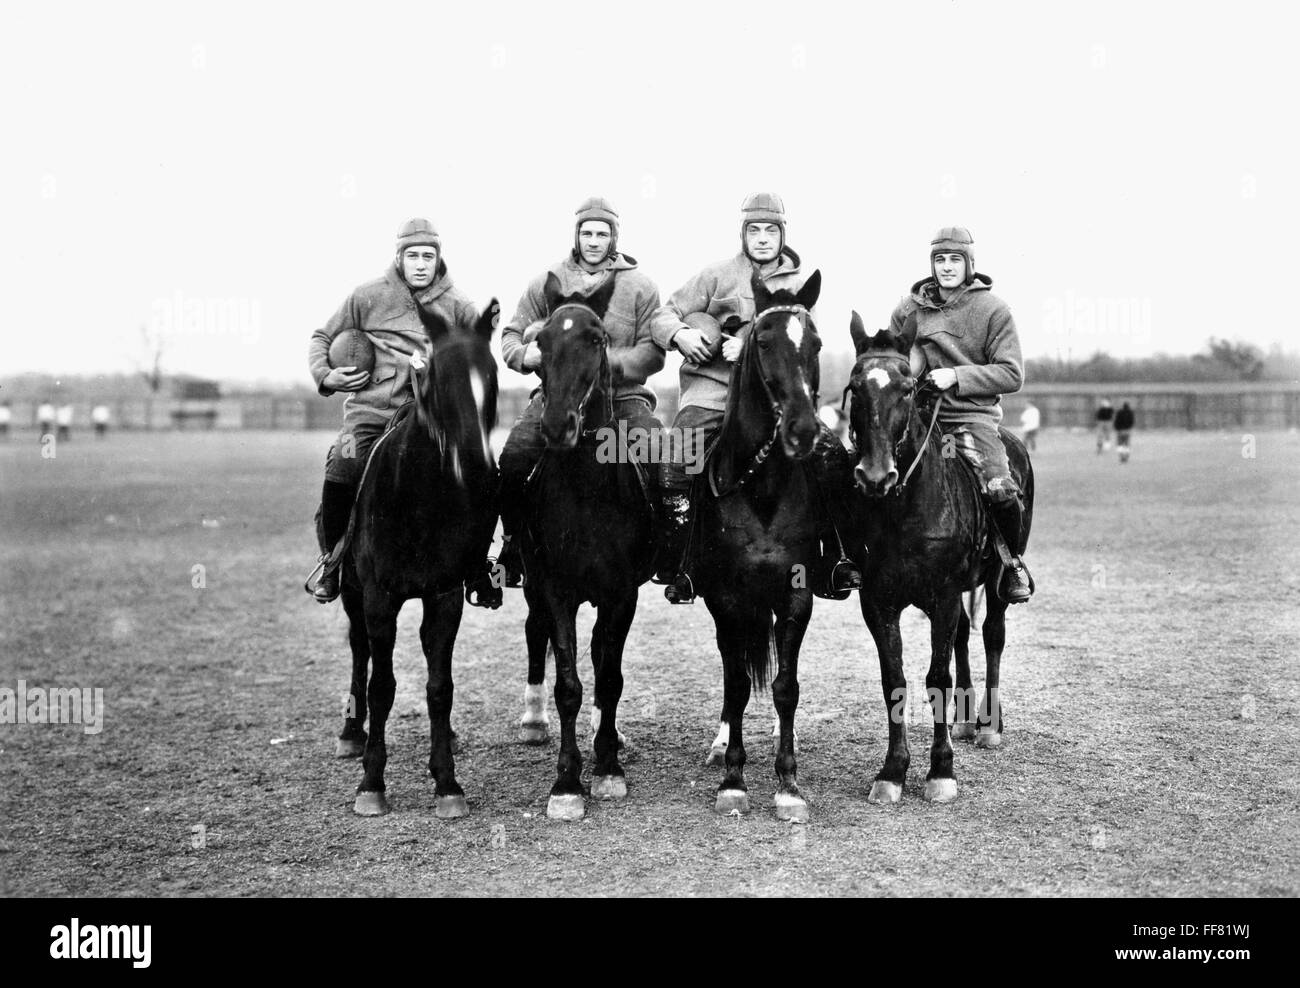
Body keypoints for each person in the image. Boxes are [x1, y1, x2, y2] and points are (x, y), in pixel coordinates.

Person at [649, 192, 862, 603]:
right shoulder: (714, 275)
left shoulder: (800, 286)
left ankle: (835, 557)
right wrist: (681, 334)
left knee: (832, 457)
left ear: (783, 234)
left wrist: (747, 344)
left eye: (771, 230)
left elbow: (803, 341)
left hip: (777, 401)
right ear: (743, 233)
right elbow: (664, 313)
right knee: (676, 461)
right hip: (712, 393)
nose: (762, 238)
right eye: (754, 230)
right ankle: (682, 560)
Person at [306, 217, 498, 606]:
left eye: (429, 256)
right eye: (413, 255)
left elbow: (476, 354)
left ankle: (477, 568)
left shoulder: (460, 305)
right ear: (399, 257)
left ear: (438, 259)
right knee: (343, 464)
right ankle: (333, 562)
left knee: (485, 473)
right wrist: (327, 375)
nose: (421, 264)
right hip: (371, 413)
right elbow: (322, 337)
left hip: (432, 420)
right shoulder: (366, 296)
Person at [496, 196, 665, 586]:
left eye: (602, 233)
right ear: (576, 235)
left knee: (665, 456)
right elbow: (509, 335)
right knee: (513, 459)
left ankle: (665, 550)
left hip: (622, 400)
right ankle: (512, 548)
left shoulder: (640, 286)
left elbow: (653, 353)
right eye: (586, 232)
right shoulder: (546, 282)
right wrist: (527, 355)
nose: (593, 240)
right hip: (557, 398)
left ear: (614, 237)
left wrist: (606, 365)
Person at [891, 226, 1033, 603]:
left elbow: (1012, 373)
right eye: (940, 259)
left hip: (971, 418)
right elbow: (892, 359)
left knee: (1000, 489)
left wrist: (956, 376)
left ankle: (1011, 562)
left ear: (969, 264)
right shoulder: (909, 309)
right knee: (866, 472)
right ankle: (854, 560)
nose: (947, 267)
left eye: (955, 259)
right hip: (918, 418)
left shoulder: (993, 310)